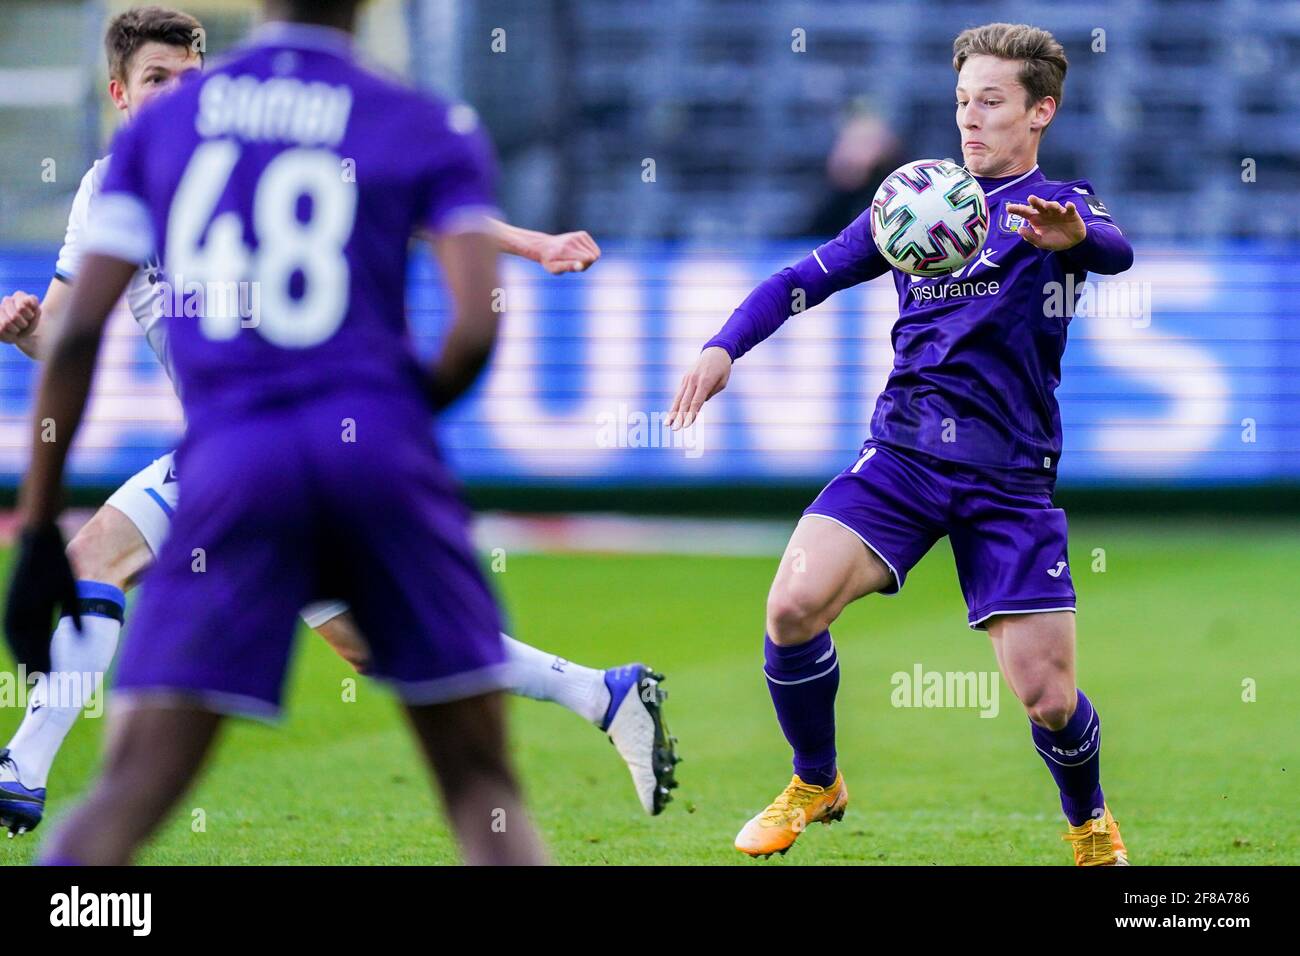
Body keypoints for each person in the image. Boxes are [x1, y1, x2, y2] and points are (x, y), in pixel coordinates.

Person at [0, 5, 674, 840]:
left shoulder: (192, 148)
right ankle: (601, 693)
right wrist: (26, 331)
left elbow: (79, 345)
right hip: (335, 445)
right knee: (383, 657)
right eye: (157, 79)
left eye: (187, 74)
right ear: (118, 92)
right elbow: (61, 335)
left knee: (100, 579)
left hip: (246, 442)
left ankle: (24, 769)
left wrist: (531, 245)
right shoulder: (142, 172)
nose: (177, 91)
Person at [667, 22, 1134, 865]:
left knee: (1049, 700)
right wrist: (723, 346)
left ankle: (1090, 822)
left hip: (1009, 478)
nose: (970, 118)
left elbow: (1115, 251)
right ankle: (815, 779)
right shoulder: (918, 201)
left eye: (991, 102)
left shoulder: (1060, 206)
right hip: (903, 457)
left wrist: (1076, 240)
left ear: (1041, 111)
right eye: (962, 100)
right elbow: (802, 278)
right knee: (791, 607)